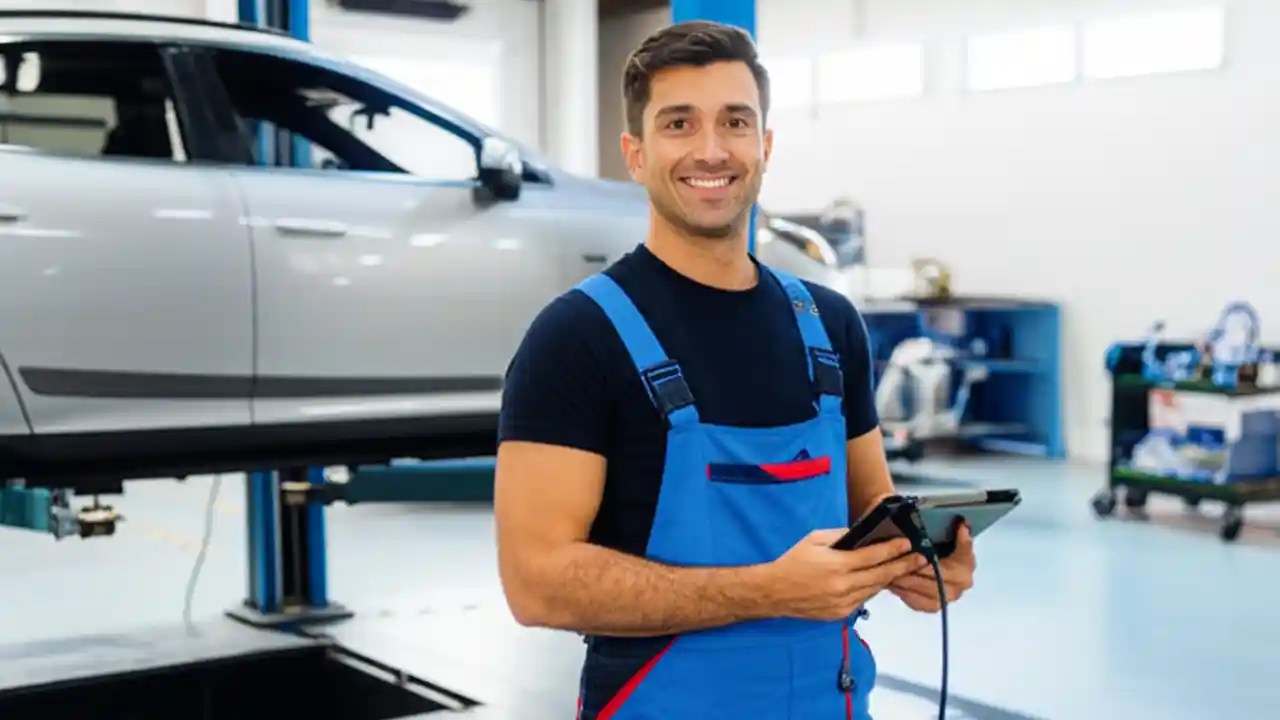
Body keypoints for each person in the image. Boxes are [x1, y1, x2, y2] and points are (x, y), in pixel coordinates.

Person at [493, 19, 976, 719]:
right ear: (635, 153)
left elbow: (871, 508)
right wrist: (769, 589)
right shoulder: (576, 337)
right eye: (679, 124)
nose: (711, 150)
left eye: (735, 122)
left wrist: (921, 562)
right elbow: (534, 583)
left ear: (765, 146)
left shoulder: (831, 326)